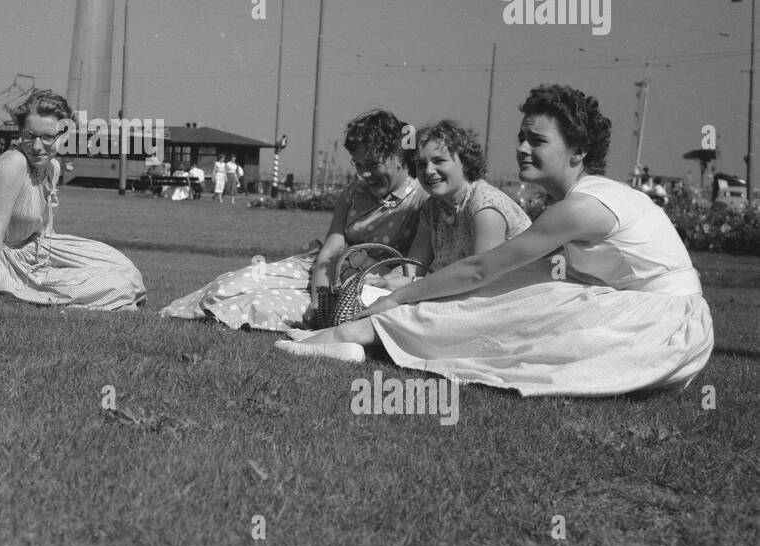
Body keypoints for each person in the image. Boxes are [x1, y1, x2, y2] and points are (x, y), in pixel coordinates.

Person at [276, 85, 715, 397]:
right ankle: (363, 337)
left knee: (513, 304)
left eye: (537, 140)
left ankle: (359, 333)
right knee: (519, 300)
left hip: (665, 327)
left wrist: (402, 296)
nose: (522, 147)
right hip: (666, 327)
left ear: (577, 151)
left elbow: (481, 267)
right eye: (521, 137)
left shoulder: (581, 206)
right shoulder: (587, 199)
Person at [161, 109, 426, 331]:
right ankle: (174, 313)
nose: (365, 174)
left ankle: (214, 319)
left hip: (360, 287)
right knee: (225, 287)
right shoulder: (353, 192)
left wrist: (327, 303)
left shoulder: (421, 201)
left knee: (253, 305)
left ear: (399, 156)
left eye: (374, 164)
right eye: (358, 165)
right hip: (317, 271)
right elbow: (332, 249)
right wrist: (319, 298)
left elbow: (410, 270)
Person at [0, 89, 146, 310]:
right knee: (119, 286)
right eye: (30, 136)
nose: (37, 146)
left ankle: (44, 294)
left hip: (32, 255)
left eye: (48, 137)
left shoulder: (52, 168)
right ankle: (14, 295)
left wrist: (70, 263)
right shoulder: (13, 163)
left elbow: (46, 232)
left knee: (127, 271)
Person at [382, 120, 531, 284]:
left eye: (439, 161)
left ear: (465, 162)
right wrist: (384, 280)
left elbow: (478, 277)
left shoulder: (484, 204)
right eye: (421, 164)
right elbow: (414, 265)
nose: (429, 171)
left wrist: (410, 285)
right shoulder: (433, 207)